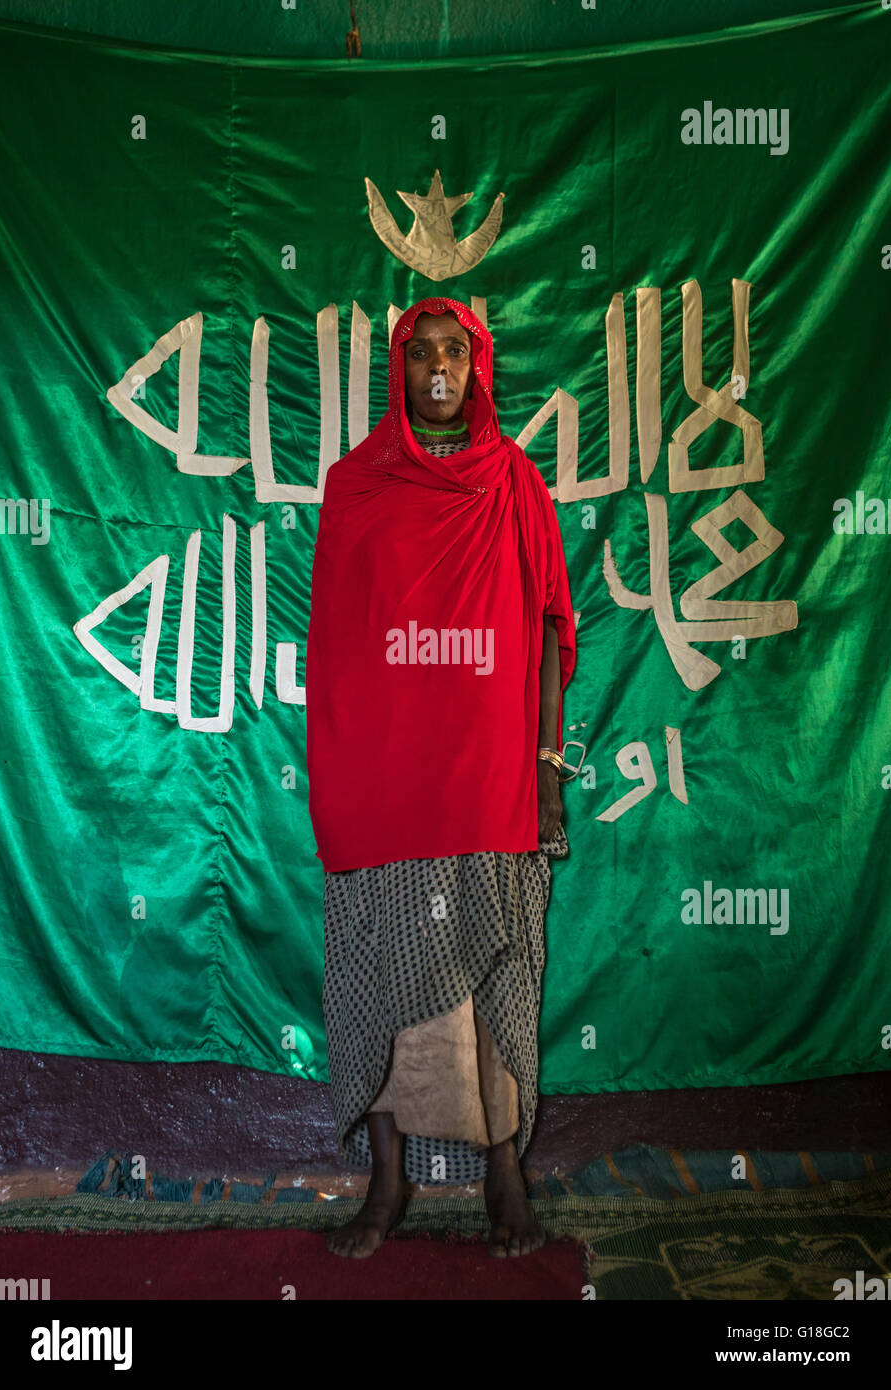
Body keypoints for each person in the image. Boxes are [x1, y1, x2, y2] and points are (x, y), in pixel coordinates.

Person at [305, 296, 576, 1259]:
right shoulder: (355, 487)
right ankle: (385, 1186)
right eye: (419, 353)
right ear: (397, 369)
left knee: (498, 973)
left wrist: (546, 768)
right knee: (375, 975)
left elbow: (547, 629)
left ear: (478, 368)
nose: (436, 367)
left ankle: (505, 1179)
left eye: (453, 351)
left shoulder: (514, 484)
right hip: (383, 780)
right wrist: (333, 778)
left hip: (486, 778)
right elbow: (333, 649)